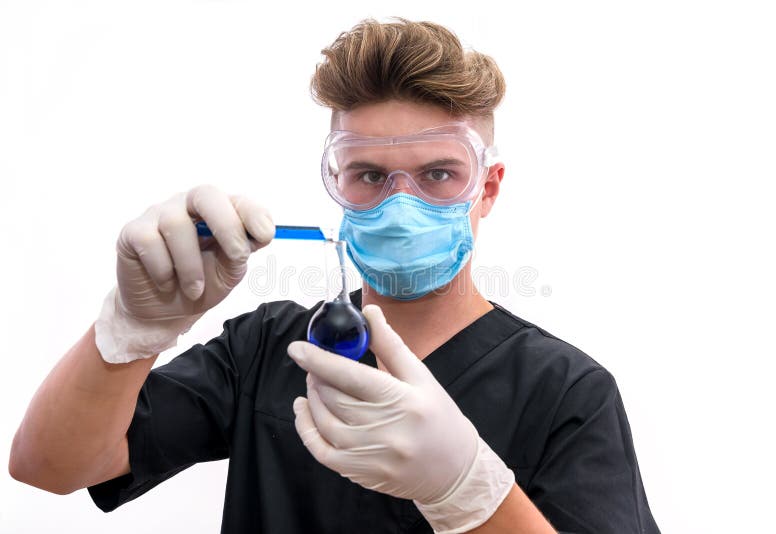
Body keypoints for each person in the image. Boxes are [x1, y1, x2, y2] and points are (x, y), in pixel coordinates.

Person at [9, 17, 660, 534]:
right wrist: (130, 331)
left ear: (486, 187)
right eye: (370, 175)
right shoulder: (269, 347)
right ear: (337, 185)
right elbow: (48, 466)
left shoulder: (567, 392)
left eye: (438, 174)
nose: (400, 204)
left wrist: (468, 492)